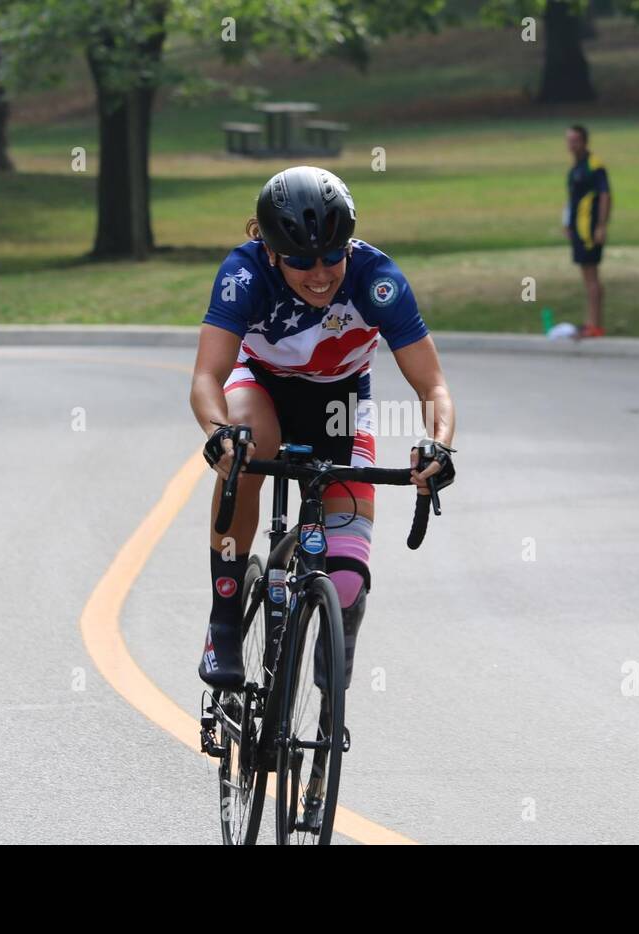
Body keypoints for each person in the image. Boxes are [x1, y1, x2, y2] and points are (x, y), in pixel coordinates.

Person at [191, 165, 457, 691]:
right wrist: (218, 432)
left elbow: (434, 389)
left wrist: (439, 446)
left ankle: (341, 626)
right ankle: (223, 618)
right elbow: (206, 376)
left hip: (339, 397)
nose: (319, 274)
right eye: (299, 260)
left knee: (349, 574)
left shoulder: (377, 280)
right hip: (260, 383)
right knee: (248, 447)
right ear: (269, 251)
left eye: (332, 256)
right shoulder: (244, 273)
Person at [563, 124, 610, 338]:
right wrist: (567, 223)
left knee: (592, 278)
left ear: (584, 141)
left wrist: (601, 225)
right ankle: (590, 322)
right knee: (587, 277)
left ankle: (595, 324)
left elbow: (605, 196)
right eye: (568, 140)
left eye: (575, 140)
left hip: (589, 230)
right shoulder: (575, 169)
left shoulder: (594, 166)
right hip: (578, 231)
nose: (571, 145)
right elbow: (572, 200)